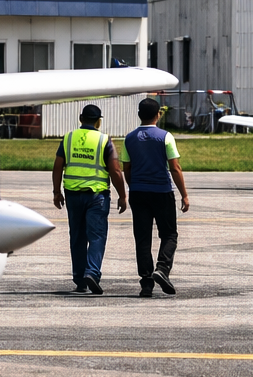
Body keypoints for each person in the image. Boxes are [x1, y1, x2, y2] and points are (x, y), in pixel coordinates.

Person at [52, 104, 127, 295]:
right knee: (96, 236)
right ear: (98, 121)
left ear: (80, 118)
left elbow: (58, 166)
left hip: (72, 195)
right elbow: (115, 170)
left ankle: (79, 279)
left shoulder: (68, 138)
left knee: (77, 237)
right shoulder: (104, 140)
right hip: (97, 196)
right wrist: (122, 195)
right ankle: (92, 272)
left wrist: (56, 191)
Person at [120, 98, 190, 298]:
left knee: (142, 238)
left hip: (138, 192)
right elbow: (174, 167)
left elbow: (127, 167)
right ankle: (162, 268)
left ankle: (146, 284)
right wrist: (184, 194)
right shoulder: (165, 137)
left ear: (139, 114)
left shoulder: (130, 138)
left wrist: (134, 186)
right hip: (161, 191)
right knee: (169, 234)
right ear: (158, 114)